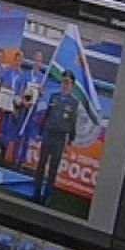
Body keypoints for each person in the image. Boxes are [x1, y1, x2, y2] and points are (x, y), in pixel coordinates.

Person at [34, 72, 81, 203]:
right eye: (63, 82)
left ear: (72, 85)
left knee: (53, 167)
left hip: (59, 138)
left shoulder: (73, 102)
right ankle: (36, 192)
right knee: (41, 164)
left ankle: (47, 195)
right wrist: (40, 132)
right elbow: (47, 115)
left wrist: (70, 140)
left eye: (67, 82)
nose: (65, 85)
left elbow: (72, 122)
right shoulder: (54, 97)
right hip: (48, 134)